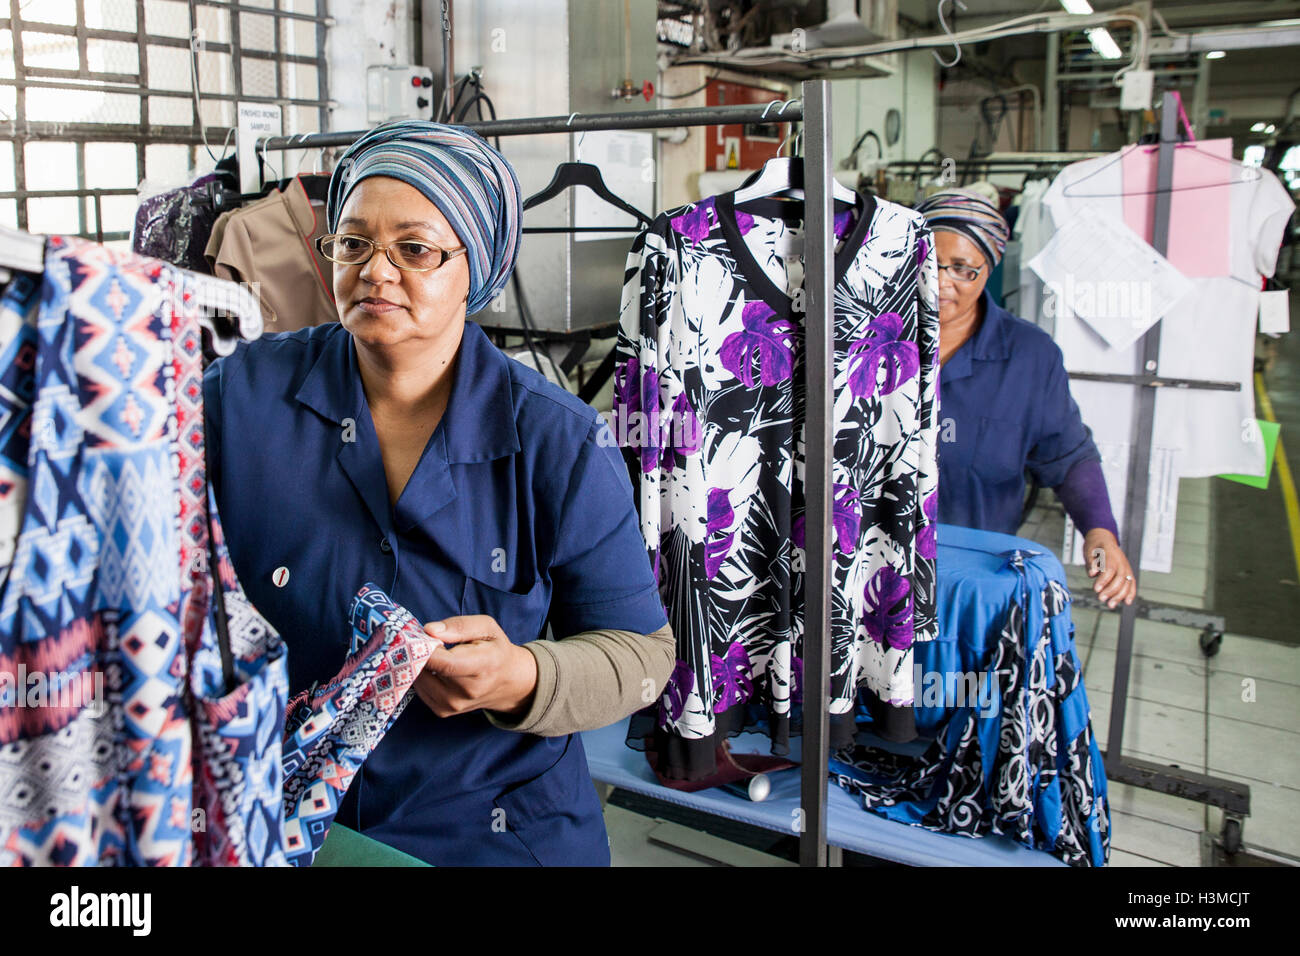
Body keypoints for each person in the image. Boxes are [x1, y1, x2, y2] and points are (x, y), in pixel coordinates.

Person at [203, 120, 674, 866]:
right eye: (352, 244)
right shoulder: (242, 397)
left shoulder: (559, 441)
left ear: (475, 268)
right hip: (281, 818)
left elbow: (641, 657)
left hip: (488, 832)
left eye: (414, 249)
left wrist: (522, 675)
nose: (375, 271)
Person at [915, 187, 1137, 609]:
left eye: (963, 269)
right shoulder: (867, 339)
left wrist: (1100, 530)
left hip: (975, 581)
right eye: (929, 263)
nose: (941, 280)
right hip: (874, 569)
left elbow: (1068, 455)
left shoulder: (1029, 357)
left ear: (989, 269)